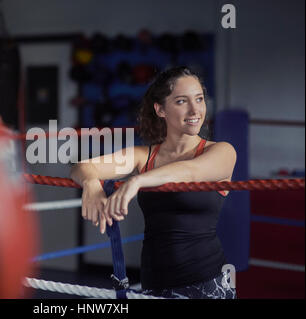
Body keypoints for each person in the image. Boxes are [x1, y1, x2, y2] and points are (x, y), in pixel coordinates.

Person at [70, 66, 237, 299]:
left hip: (206, 282)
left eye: (199, 99)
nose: (195, 109)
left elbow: (190, 171)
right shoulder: (144, 156)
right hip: (153, 282)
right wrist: (91, 184)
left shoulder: (222, 151)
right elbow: (83, 166)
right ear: (160, 109)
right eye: (181, 101)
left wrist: (137, 181)